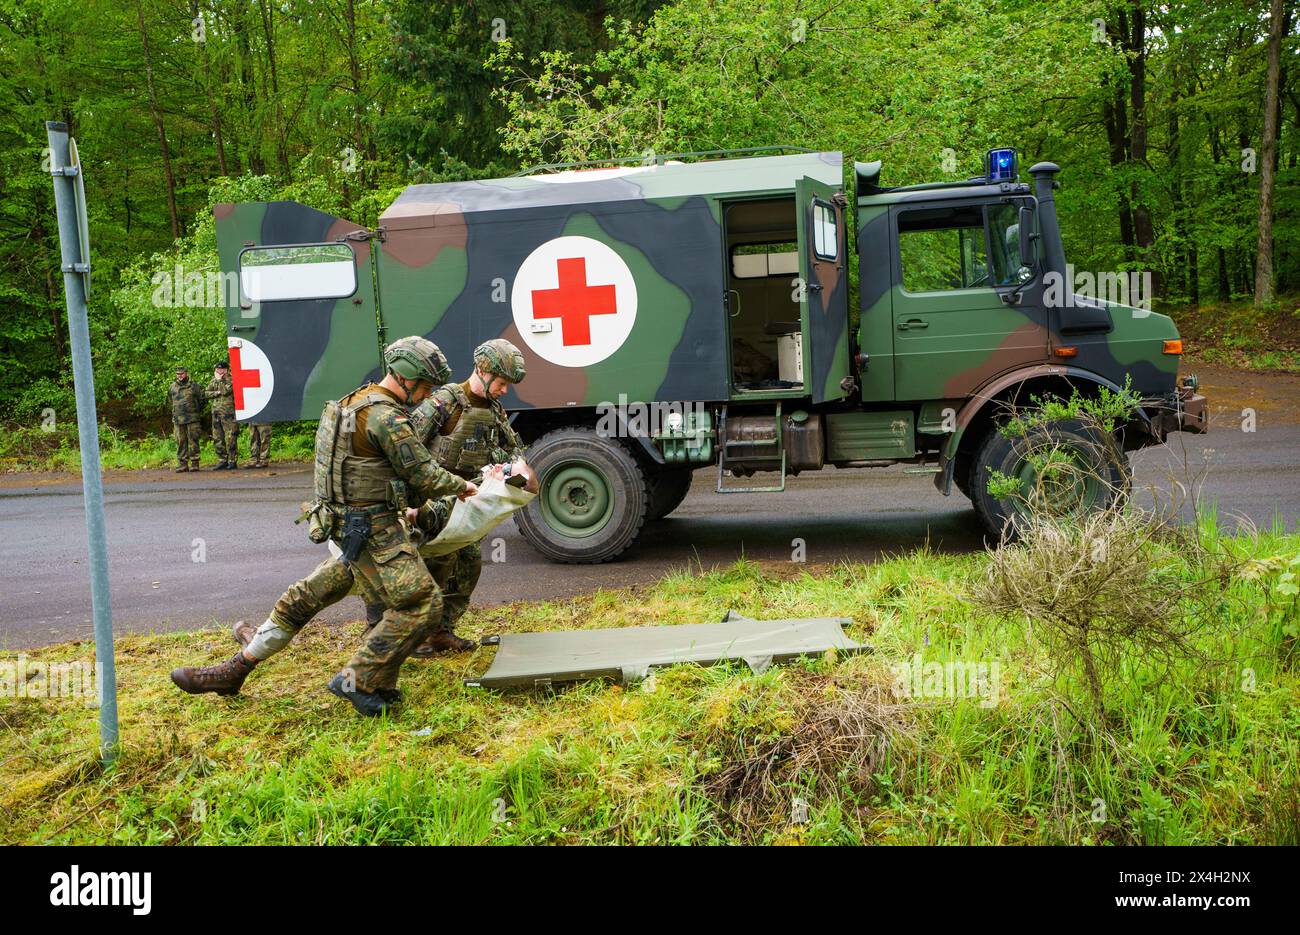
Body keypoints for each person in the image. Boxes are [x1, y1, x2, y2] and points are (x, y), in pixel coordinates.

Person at [169, 336, 476, 717]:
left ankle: (235, 671)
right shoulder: (388, 417)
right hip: (375, 532)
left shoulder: (352, 403)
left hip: (346, 526)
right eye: (426, 385)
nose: (427, 394)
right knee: (422, 603)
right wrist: (465, 486)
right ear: (409, 377)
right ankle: (358, 680)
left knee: (307, 597)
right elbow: (423, 476)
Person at [379, 338, 527, 656]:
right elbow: (406, 447)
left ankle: (439, 631)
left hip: (463, 503)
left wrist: (511, 470)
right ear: (483, 370)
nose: (505, 390)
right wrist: (404, 503)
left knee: (468, 563)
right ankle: (394, 636)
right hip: (428, 502)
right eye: (502, 383)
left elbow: (513, 452)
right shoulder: (446, 401)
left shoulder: (495, 410)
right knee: (416, 571)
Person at [168, 366, 204, 472]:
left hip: (192, 419)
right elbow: (170, 401)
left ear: (186, 373)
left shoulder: (194, 386)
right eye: (178, 374)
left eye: (182, 374)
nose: (180, 376)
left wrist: (196, 411)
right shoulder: (172, 387)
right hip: (178, 420)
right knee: (181, 442)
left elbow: (202, 400)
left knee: (194, 441)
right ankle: (183, 464)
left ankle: (195, 463)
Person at [206, 360, 240, 470]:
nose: (218, 371)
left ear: (226, 370)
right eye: (217, 369)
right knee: (217, 437)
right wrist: (216, 392)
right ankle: (222, 460)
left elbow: (226, 391)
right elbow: (206, 393)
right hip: (216, 412)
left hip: (228, 413)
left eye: (220, 369)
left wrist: (220, 382)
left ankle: (232, 460)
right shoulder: (214, 380)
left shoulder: (231, 379)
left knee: (231, 437)